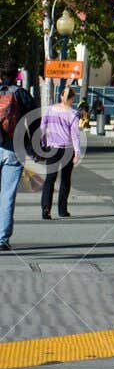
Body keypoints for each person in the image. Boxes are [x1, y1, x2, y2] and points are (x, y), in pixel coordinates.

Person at [0, 56, 35, 251]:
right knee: (7, 195)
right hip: (14, 149)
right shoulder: (22, 95)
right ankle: (2, 239)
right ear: (16, 75)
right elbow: (35, 123)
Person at [38, 86, 84, 220]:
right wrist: (77, 152)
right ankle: (62, 210)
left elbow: (42, 127)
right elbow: (75, 134)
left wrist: (42, 144)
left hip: (52, 149)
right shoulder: (73, 113)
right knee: (65, 180)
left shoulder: (50, 109)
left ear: (61, 96)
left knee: (49, 179)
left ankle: (46, 209)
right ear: (71, 99)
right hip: (67, 150)